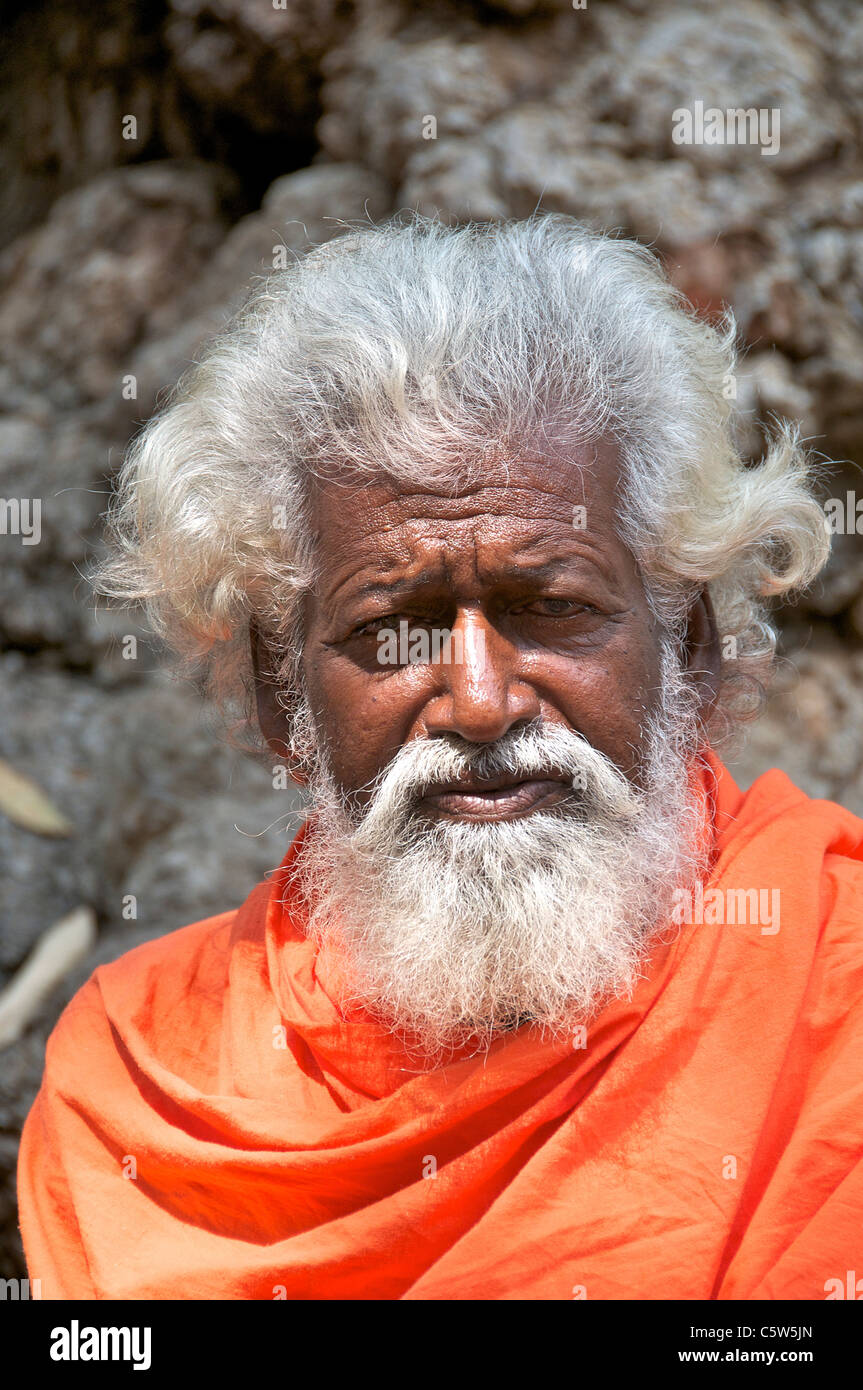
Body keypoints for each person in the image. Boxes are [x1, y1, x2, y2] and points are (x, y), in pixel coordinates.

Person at [18, 215, 863, 1300]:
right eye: (389, 630)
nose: (476, 701)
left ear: (687, 649)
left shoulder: (834, 991)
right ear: (285, 696)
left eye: (553, 607)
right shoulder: (138, 1085)